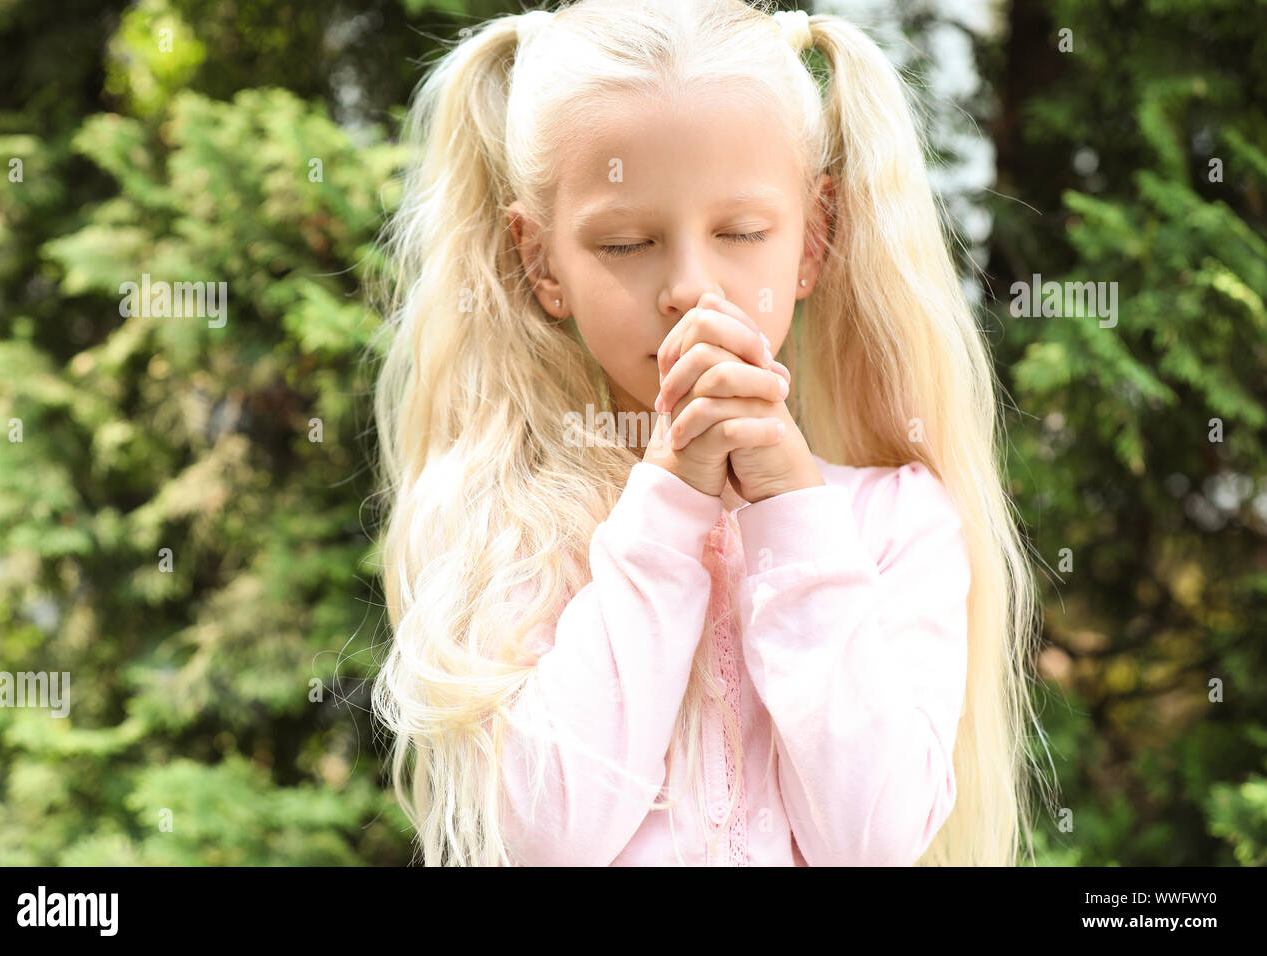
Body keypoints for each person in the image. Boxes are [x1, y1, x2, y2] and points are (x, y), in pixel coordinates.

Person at [368, 0, 1049, 866]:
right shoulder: (515, 522)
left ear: (814, 237)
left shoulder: (894, 523)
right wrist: (669, 506)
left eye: (741, 232)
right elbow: (548, 838)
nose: (689, 286)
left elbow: (872, 841)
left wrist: (788, 510)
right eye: (624, 243)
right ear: (541, 262)